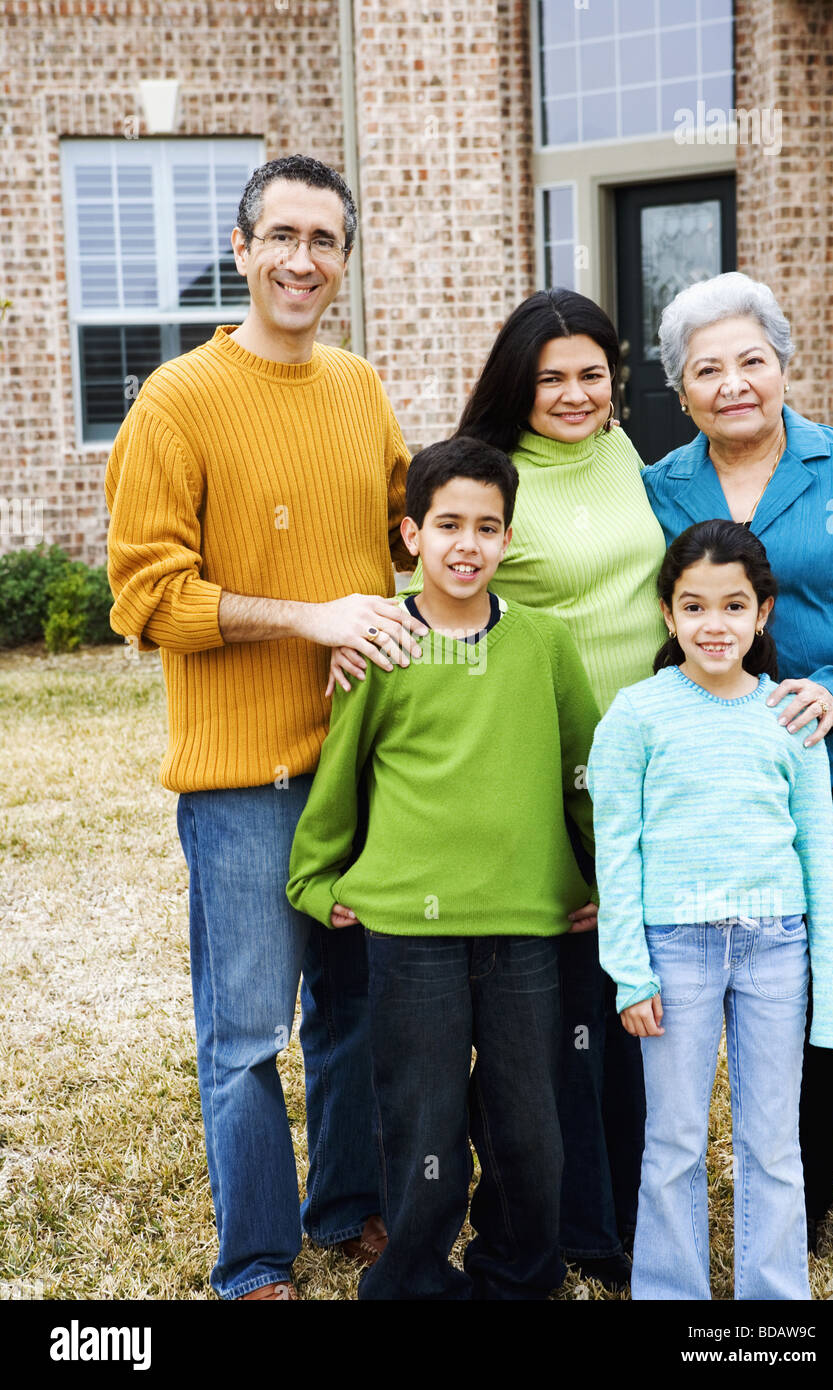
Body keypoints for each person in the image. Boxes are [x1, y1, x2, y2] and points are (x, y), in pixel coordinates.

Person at [104, 155, 428, 1300]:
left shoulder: (360, 386)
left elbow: (407, 534)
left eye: (324, 240)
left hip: (363, 762)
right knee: (247, 1032)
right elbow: (147, 599)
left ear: (344, 259)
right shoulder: (176, 402)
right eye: (280, 236)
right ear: (239, 250)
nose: (302, 259)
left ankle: (348, 1206)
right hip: (242, 779)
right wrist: (310, 616)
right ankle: (253, 1262)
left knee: (353, 1007)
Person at [331, 290, 666, 1287]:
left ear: (615, 380)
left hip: (636, 767)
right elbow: (428, 592)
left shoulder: (622, 455)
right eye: (550, 375)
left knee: (607, 1011)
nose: (573, 393)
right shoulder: (483, 476)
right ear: (514, 382)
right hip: (524, 777)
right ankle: (542, 1224)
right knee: (536, 1037)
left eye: (591, 373)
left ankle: (597, 1220)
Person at [288, 437, 600, 1299]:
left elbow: (587, 776)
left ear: (508, 539)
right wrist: (316, 879)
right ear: (412, 532)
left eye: (489, 526)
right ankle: (416, 1280)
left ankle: (518, 1275)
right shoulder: (381, 645)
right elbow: (341, 772)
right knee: (423, 1118)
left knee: (527, 1121)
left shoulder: (544, 644)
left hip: (527, 924)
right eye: (449, 524)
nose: (469, 543)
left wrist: (603, 880)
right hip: (409, 931)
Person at [644, 271, 833, 1252]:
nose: (732, 382)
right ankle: (800, 1197)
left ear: (783, 364)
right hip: (728, 791)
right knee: (786, 992)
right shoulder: (656, 489)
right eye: (706, 369)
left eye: (750, 360)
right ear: (679, 387)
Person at [588, 519, 833, 1300]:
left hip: (777, 950)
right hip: (675, 952)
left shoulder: (790, 717)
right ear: (668, 615)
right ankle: (671, 1291)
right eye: (694, 607)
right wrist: (630, 973)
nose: (715, 625)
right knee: (672, 1138)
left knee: (772, 1142)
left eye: (733, 607)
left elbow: (821, 862)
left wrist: (832, 999)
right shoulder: (636, 716)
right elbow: (618, 850)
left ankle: (774, 1301)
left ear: (762, 613)